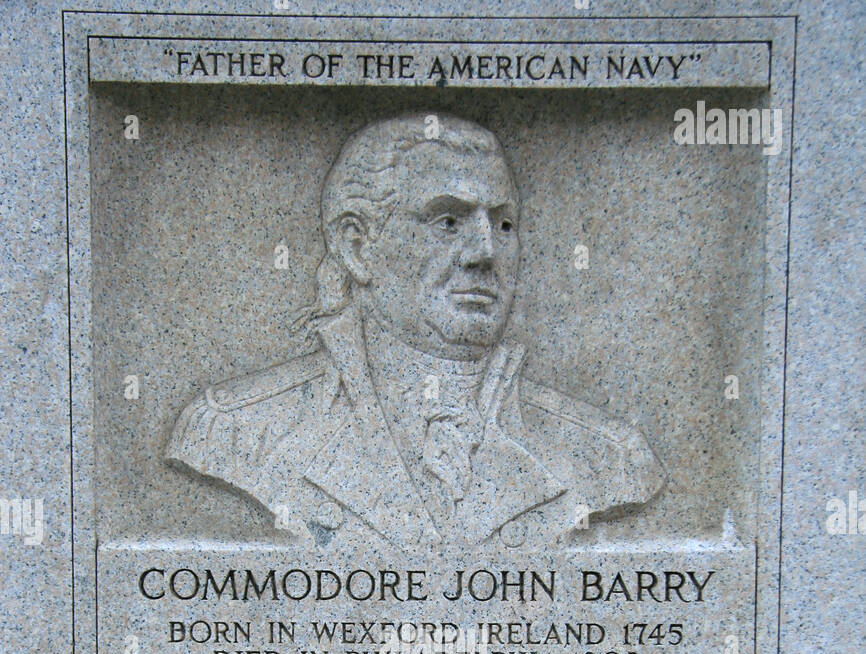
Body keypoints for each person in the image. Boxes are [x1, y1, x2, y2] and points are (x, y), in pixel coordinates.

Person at [167, 113, 663, 550]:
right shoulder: (236, 433)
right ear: (358, 247)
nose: (484, 253)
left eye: (505, 225)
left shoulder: (607, 458)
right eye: (448, 221)